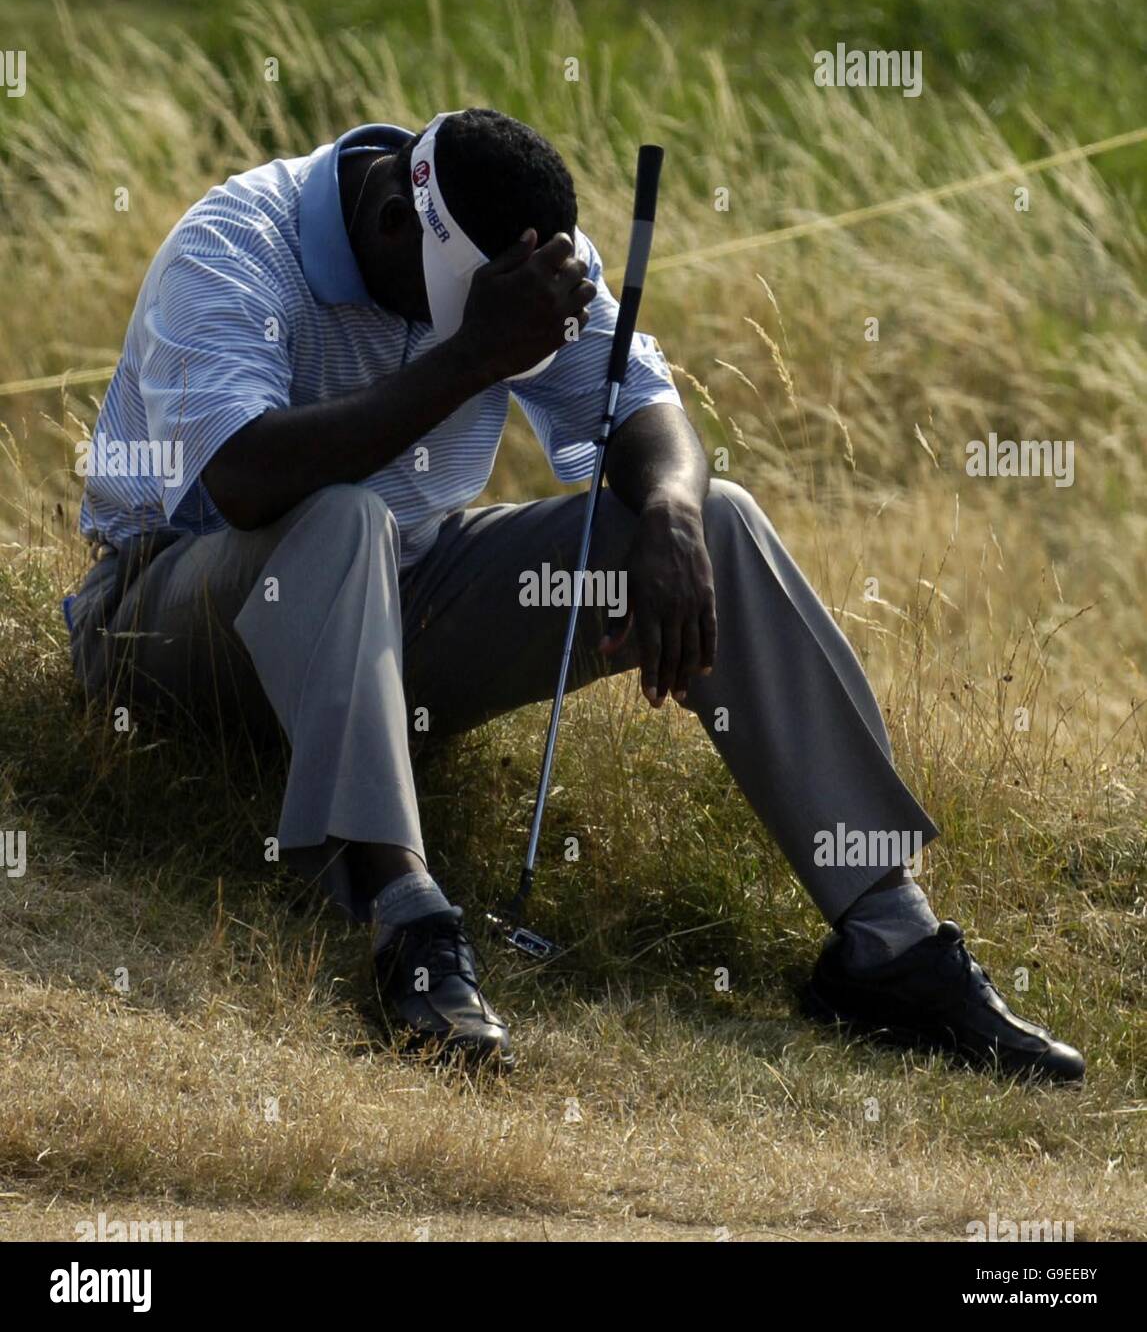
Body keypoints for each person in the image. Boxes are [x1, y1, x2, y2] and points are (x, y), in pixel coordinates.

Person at [66, 108, 1083, 1083]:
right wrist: (473, 356)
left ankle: (886, 940)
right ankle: (403, 917)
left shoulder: (513, 253)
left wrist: (672, 522)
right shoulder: (233, 247)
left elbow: (644, 407)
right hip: (170, 620)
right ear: (388, 229)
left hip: (392, 606)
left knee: (711, 516)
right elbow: (243, 481)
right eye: (470, 318)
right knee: (341, 518)